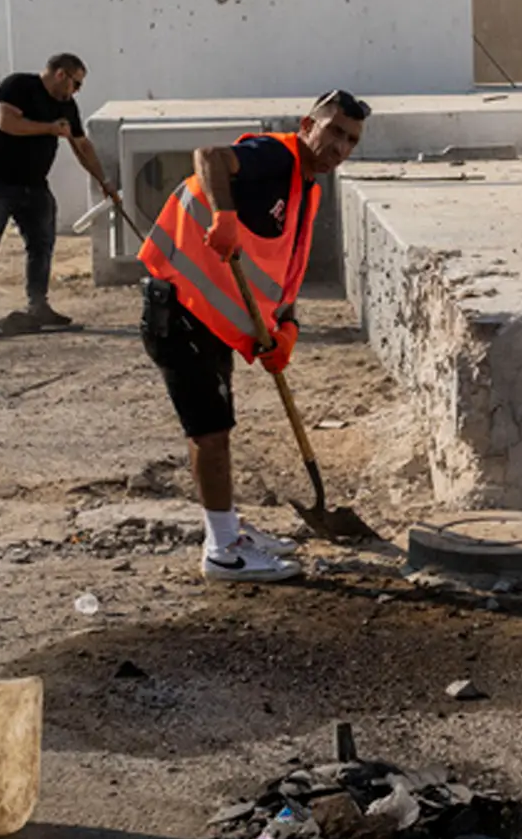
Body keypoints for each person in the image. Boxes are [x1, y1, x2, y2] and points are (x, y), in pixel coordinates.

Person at [138, 89, 369, 583]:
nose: (340, 147)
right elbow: (209, 156)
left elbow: (284, 272)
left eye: (351, 140)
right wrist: (223, 216)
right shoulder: (275, 157)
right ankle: (223, 551)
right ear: (307, 125)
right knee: (209, 432)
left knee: (216, 427)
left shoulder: (307, 189)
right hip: (179, 310)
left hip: (208, 321)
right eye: (333, 131)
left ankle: (228, 528)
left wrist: (287, 329)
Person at [0, 53, 109, 332]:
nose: (76, 91)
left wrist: (103, 180)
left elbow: (81, 146)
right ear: (61, 74)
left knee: (42, 242)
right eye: (76, 83)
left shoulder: (66, 106)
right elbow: (7, 123)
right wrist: (49, 128)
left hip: (34, 183)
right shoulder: (18, 86)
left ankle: (38, 305)